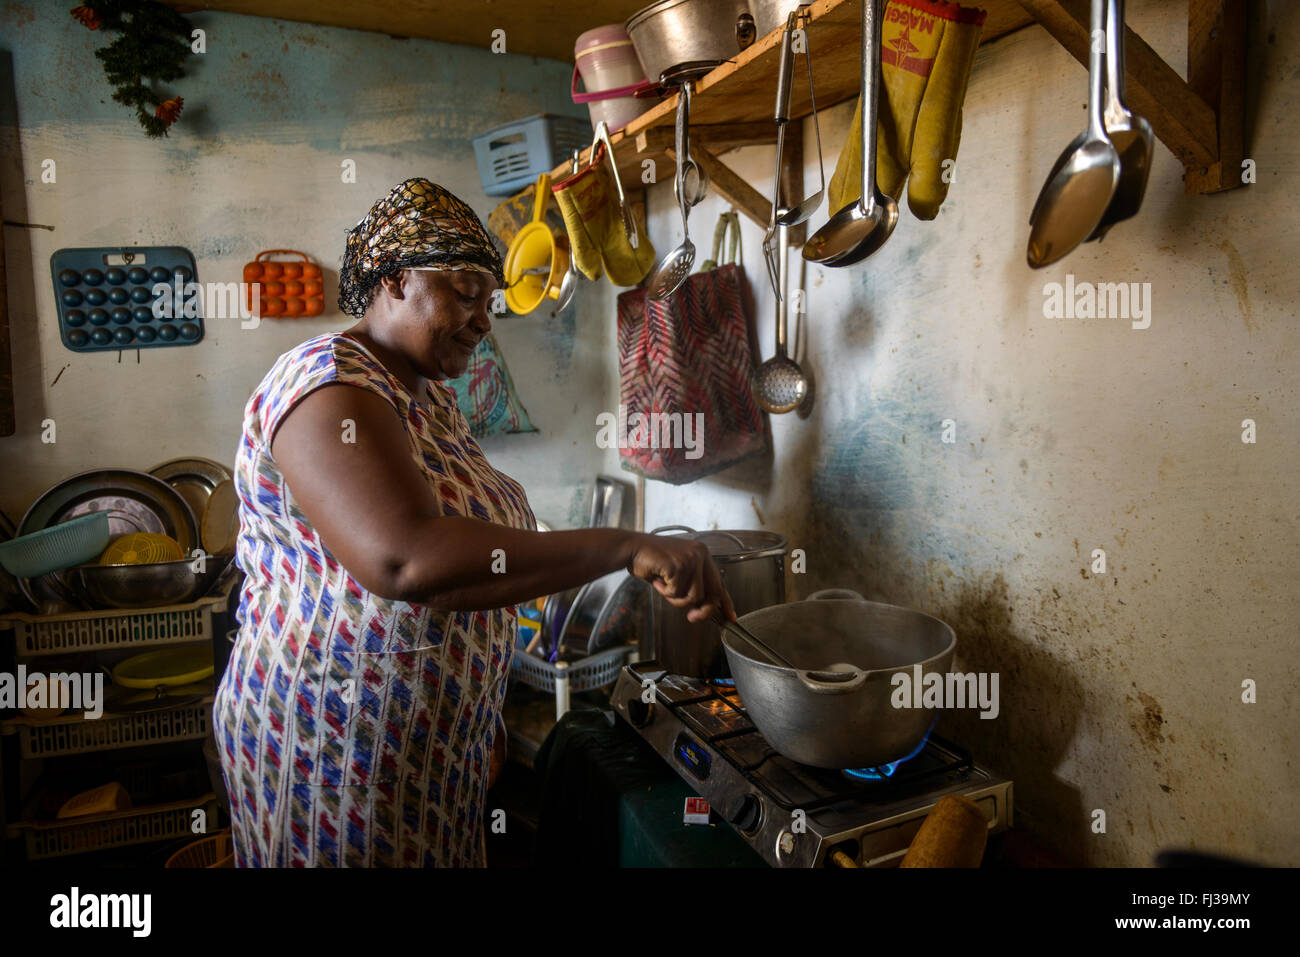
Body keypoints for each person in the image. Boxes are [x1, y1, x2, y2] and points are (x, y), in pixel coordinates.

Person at [213, 178, 733, 867]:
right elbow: (406, 559)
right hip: (332, 747)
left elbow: (467, 548)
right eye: (464, 291)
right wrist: (625, 547)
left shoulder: (429, 399)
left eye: (489, 300)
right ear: (395, 279)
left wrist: (477, 713)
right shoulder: (324, 384)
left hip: (424, 747)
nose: (486, 319)